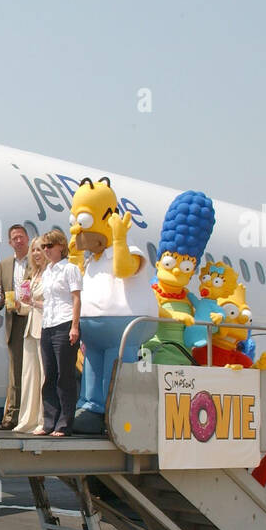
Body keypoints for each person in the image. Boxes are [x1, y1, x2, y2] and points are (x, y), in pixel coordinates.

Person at [68, 178, 158, 434]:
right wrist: (75, 256)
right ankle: (91, 407)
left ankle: (115, 411)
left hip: (124, 328)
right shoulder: (93, 260)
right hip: (93, 330)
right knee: (93, 365)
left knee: (117, 365)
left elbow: (123, 269)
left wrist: (119, 239)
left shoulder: (129, 250)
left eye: (82, 222)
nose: (78, 230)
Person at [34, 229, 83, 436]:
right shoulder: (47, 272)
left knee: (65, 375)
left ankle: (64, 423)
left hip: (64, 324)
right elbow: (49, 302)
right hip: (48, 324)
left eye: (49, 246)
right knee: (50, 375)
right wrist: (32, 302)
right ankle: (49, 421)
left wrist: (74, 326)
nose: (46, 250)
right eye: (43, 246)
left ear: (61, 246)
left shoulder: (70, 269)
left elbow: (76, 299)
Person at [0, 224, 31, 429]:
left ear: (28, 239)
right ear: (10, 242)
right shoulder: (5, 265)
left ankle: (35, 417)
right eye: (14, 238)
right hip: (14, 320)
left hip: (34, 319)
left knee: (35, 370)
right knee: (15, 371)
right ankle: (11, 418)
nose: (18, 241)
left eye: (21, 237)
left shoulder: (37, 260)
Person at [13, 238, 48, 434]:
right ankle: (27, 420)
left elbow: (53, 304)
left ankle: (43, 420)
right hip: (30, 329)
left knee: (45, 376)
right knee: (29, 376)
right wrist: (19, 305)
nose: (36, 253)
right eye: (33, 250)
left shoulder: (51, 275)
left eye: (40, 249)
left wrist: (32, 303)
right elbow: (28, 307)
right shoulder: (34, 275)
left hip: (46, 328)